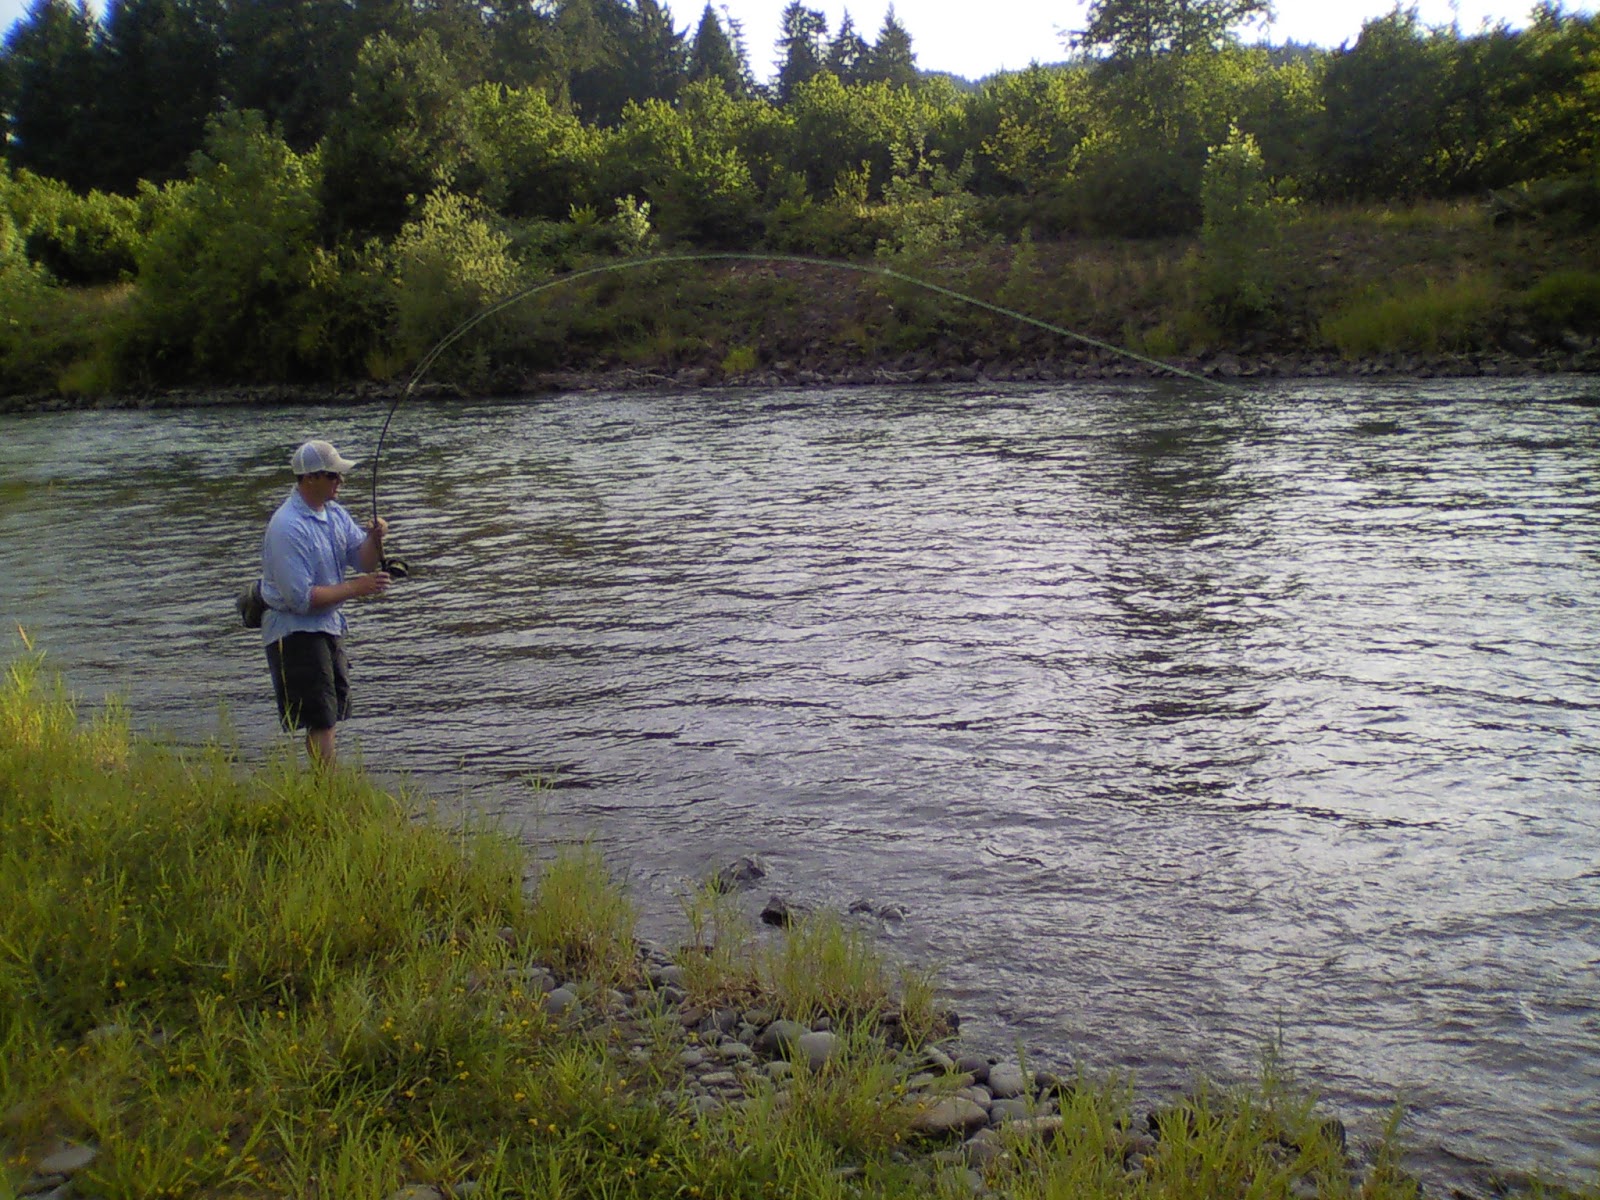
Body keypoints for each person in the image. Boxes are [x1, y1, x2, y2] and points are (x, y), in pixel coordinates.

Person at [260, 439, 390, 768]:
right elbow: (301, 599)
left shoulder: (334, 513)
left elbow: (362, 562)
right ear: (310, 478)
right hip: (295, 631)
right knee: (321, 717)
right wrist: (355, 589)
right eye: (333, 476)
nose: (340, 482)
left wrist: (375, 541)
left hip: (327, 625)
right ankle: (327, 790)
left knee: (330, 714)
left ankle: (327, 787)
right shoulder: (286, 527)